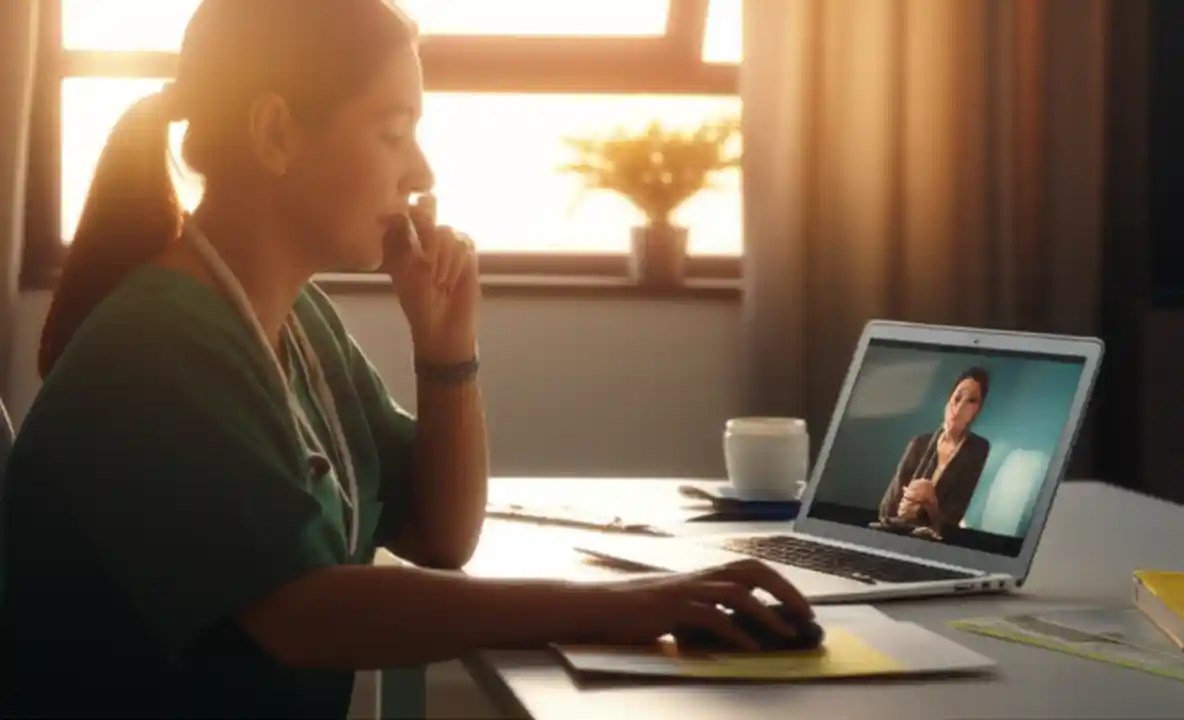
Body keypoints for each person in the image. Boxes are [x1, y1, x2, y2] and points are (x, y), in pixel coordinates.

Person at [0, 2, 810, 716]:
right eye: (393, 132)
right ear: (276, 133)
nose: (420, 172)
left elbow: (438, 531)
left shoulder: (295, 320)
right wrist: (613, 606)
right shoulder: (158, 345)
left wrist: (445, 349)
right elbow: (304, 614)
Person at [873, 368, 992, 541]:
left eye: (971, 401)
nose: (959, 409)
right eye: (957, 398)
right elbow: (886, 509)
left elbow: (952, 520)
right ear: (948, 400)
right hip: (894, 536)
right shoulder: (919, 443)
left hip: (934, 542)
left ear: (978, 410)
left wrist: (930, 505)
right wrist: (905, 509)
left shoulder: (978, 449)